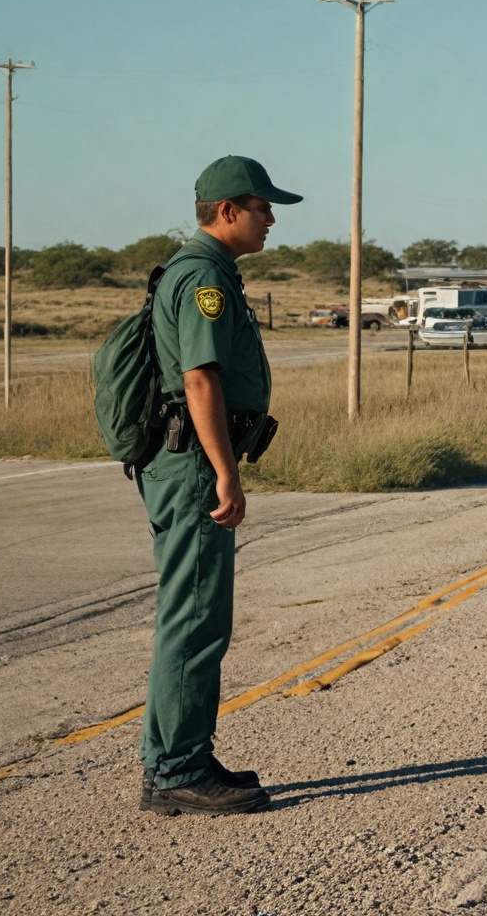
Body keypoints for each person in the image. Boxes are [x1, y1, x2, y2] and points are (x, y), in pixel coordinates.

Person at [137, 156, 299, 816]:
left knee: (193, 614)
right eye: (262, 207)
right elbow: (199, 379)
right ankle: (177, 771)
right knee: (197, 618)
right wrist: (226, 472)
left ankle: (178, 757)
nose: (272, 219)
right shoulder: (203, 277)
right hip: (196, 464)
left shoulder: (202, 270)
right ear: (228, 210)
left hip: (188, 460)